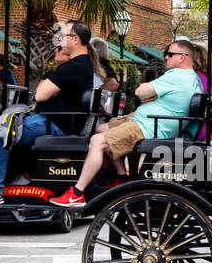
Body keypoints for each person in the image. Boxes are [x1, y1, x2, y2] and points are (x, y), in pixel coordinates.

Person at [50, 41, 200, 207]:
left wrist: (145, 90)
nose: (166, 57)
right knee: (100, 128)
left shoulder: (177, 75)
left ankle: (77, 193)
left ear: (183, 57)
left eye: (170, 54)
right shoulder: (193, 78)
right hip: (149, 123)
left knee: (97, 141)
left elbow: (140, 92)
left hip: (148, 127)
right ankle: (123, 178)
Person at [0, 21, 94, 205]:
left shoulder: (73, 66)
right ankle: (18, 175)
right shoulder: (81, 64)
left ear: (75, 39)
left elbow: (40, 95)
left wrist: (47, 87)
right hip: (56, 120)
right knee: (7, 124)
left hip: (54, 122)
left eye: (63, 35)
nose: (59, 39)